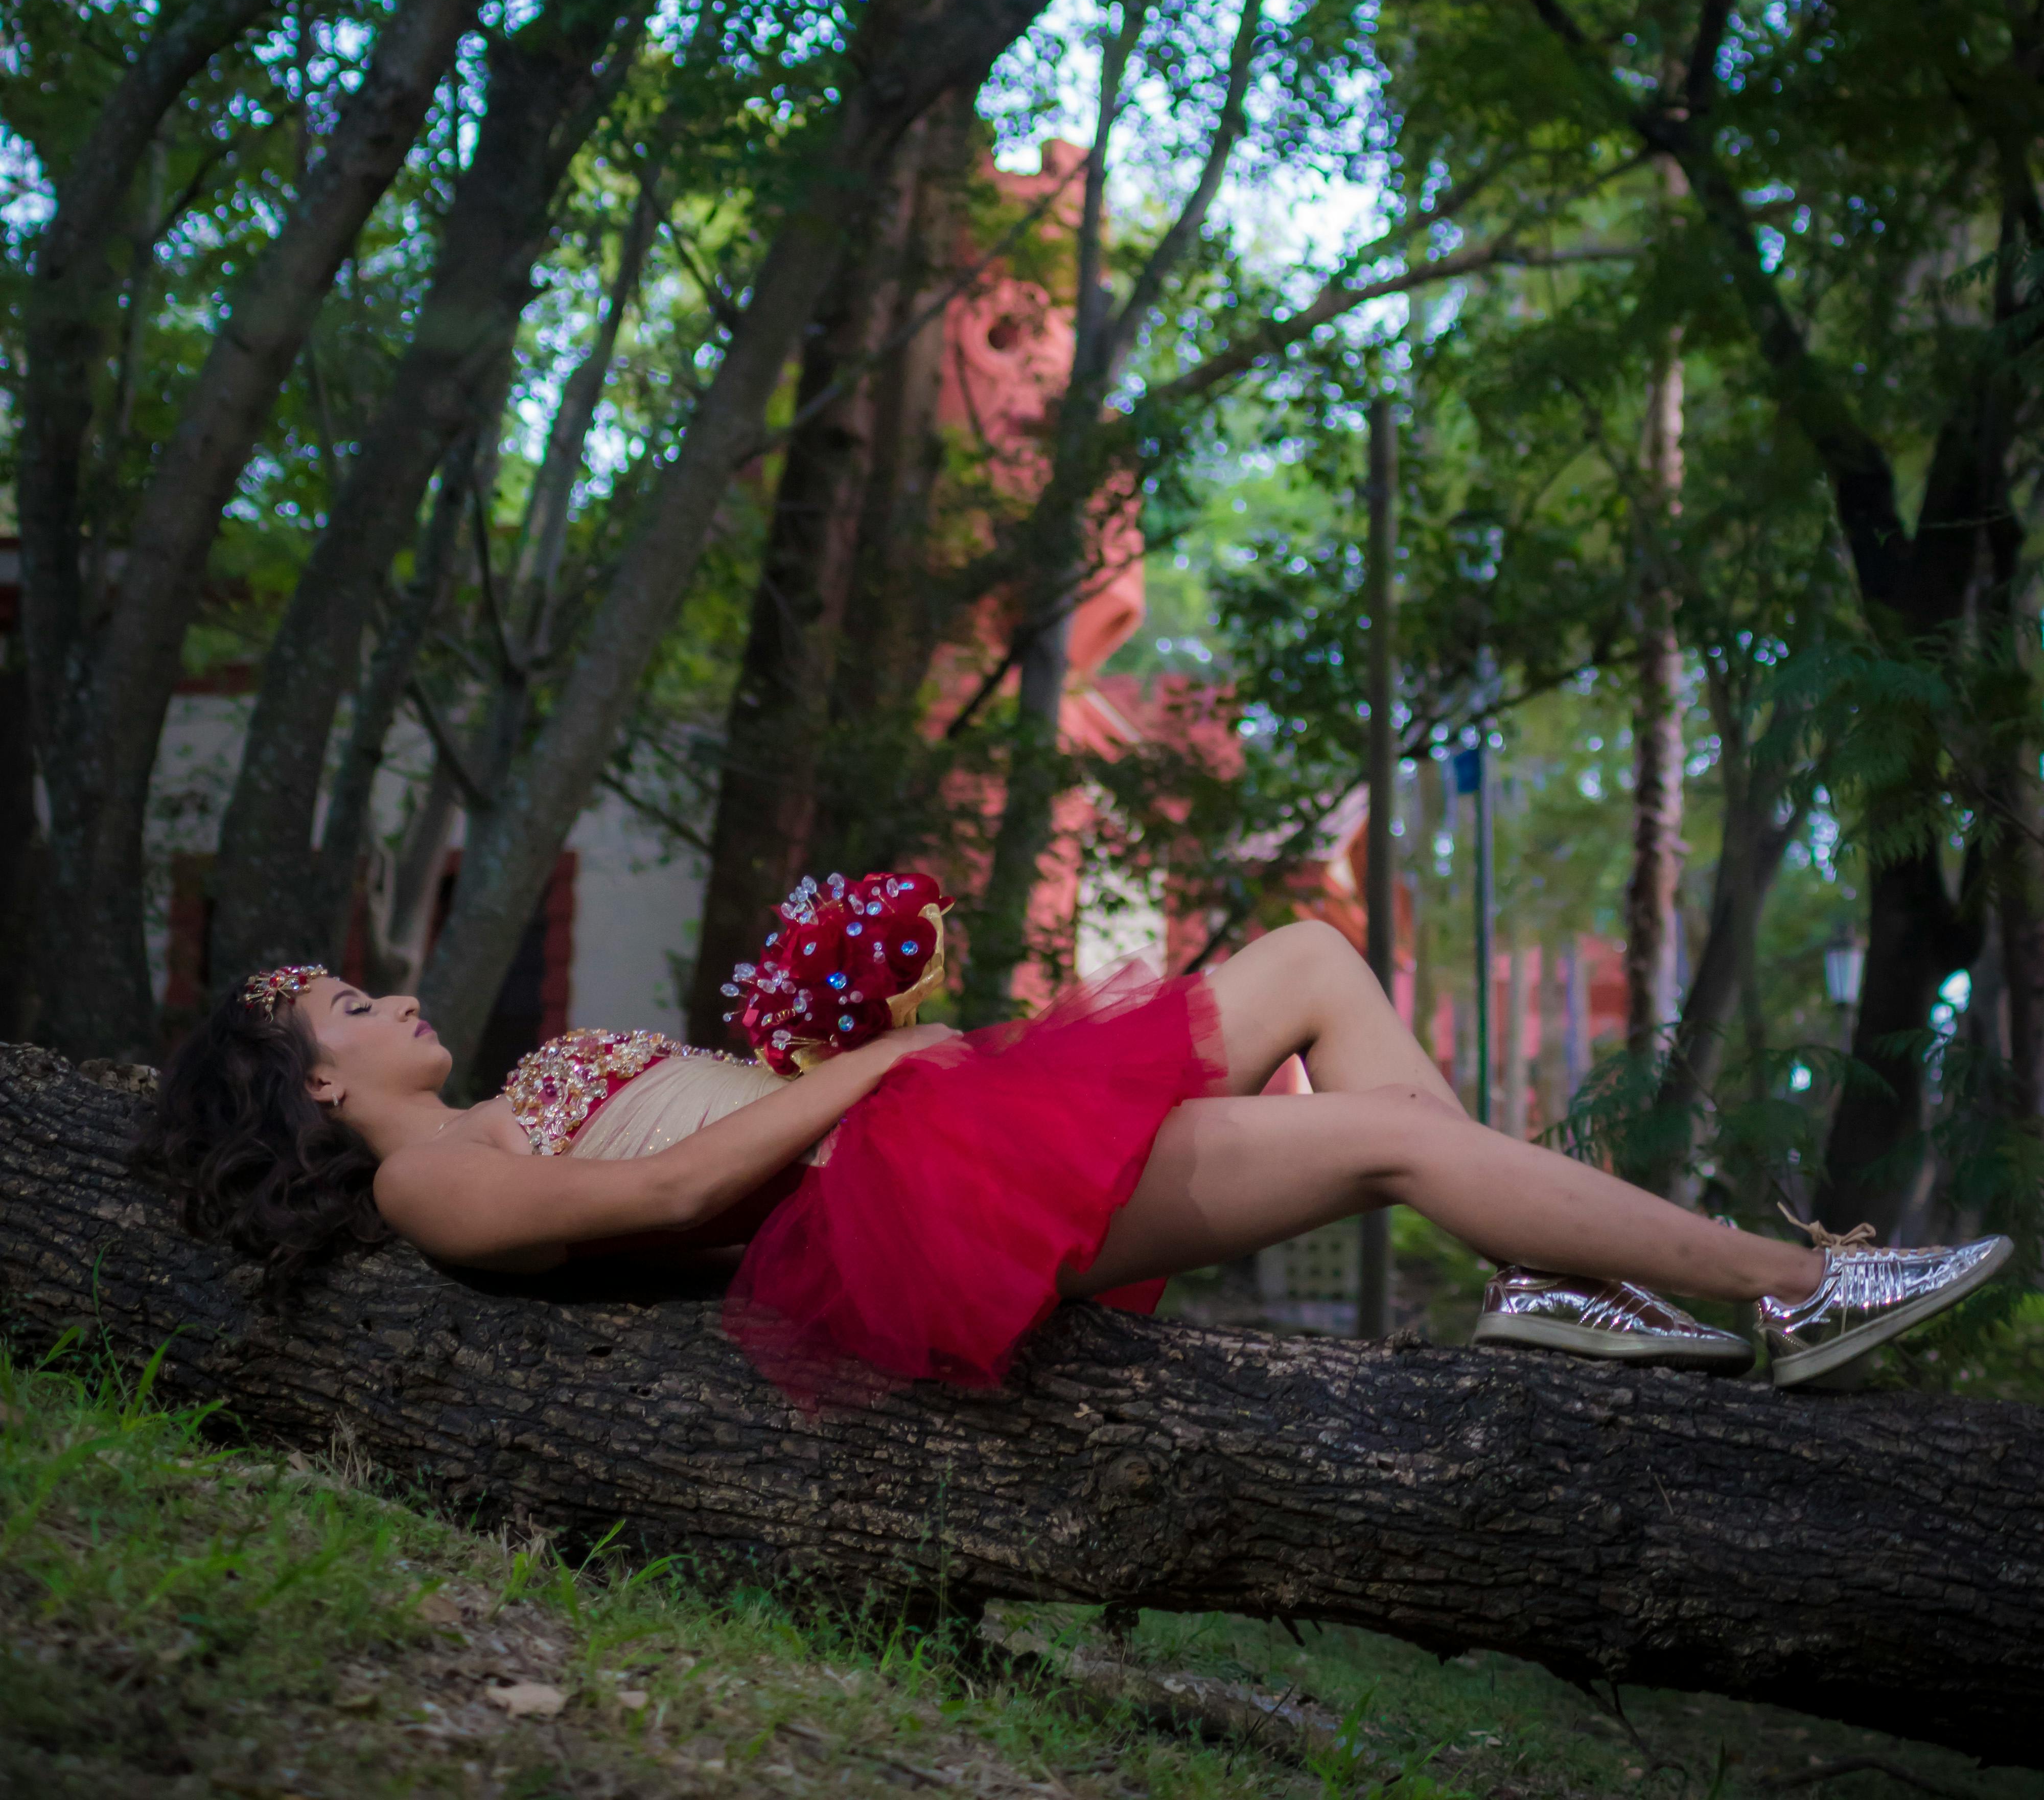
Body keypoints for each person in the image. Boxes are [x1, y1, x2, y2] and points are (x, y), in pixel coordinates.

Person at [134, 920, 2008, 1399]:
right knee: (1365, 1137)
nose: (385, 998)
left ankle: (1542, 1277)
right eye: (342, 1004)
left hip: (921, 1133)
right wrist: (871, 1064)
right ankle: (1798, 1289)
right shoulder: (422, 1182)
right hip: (894, 1206)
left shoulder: (522, 1069)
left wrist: (838, 1044)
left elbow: (693, 1112)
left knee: (1313, 967)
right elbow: (664, 1196)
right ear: (307, 1091)